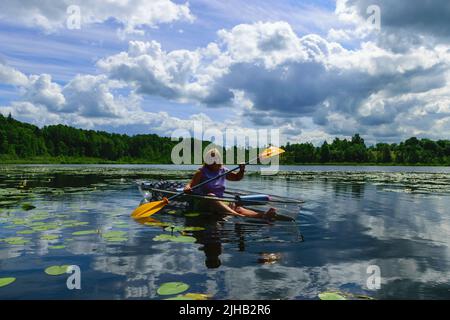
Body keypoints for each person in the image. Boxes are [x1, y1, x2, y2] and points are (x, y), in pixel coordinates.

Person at [183, 148, 276, 219]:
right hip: (203, 202)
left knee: (237, 207)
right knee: (211, 196)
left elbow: (237, 178)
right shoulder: (201, 171)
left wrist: (242, 170)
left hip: (219, 201)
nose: (214, 161)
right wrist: (187, 188)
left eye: (215, 158)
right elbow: (190, 185)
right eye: (211, 159)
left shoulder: (223, 170)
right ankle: (237, 216)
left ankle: (263, 215)